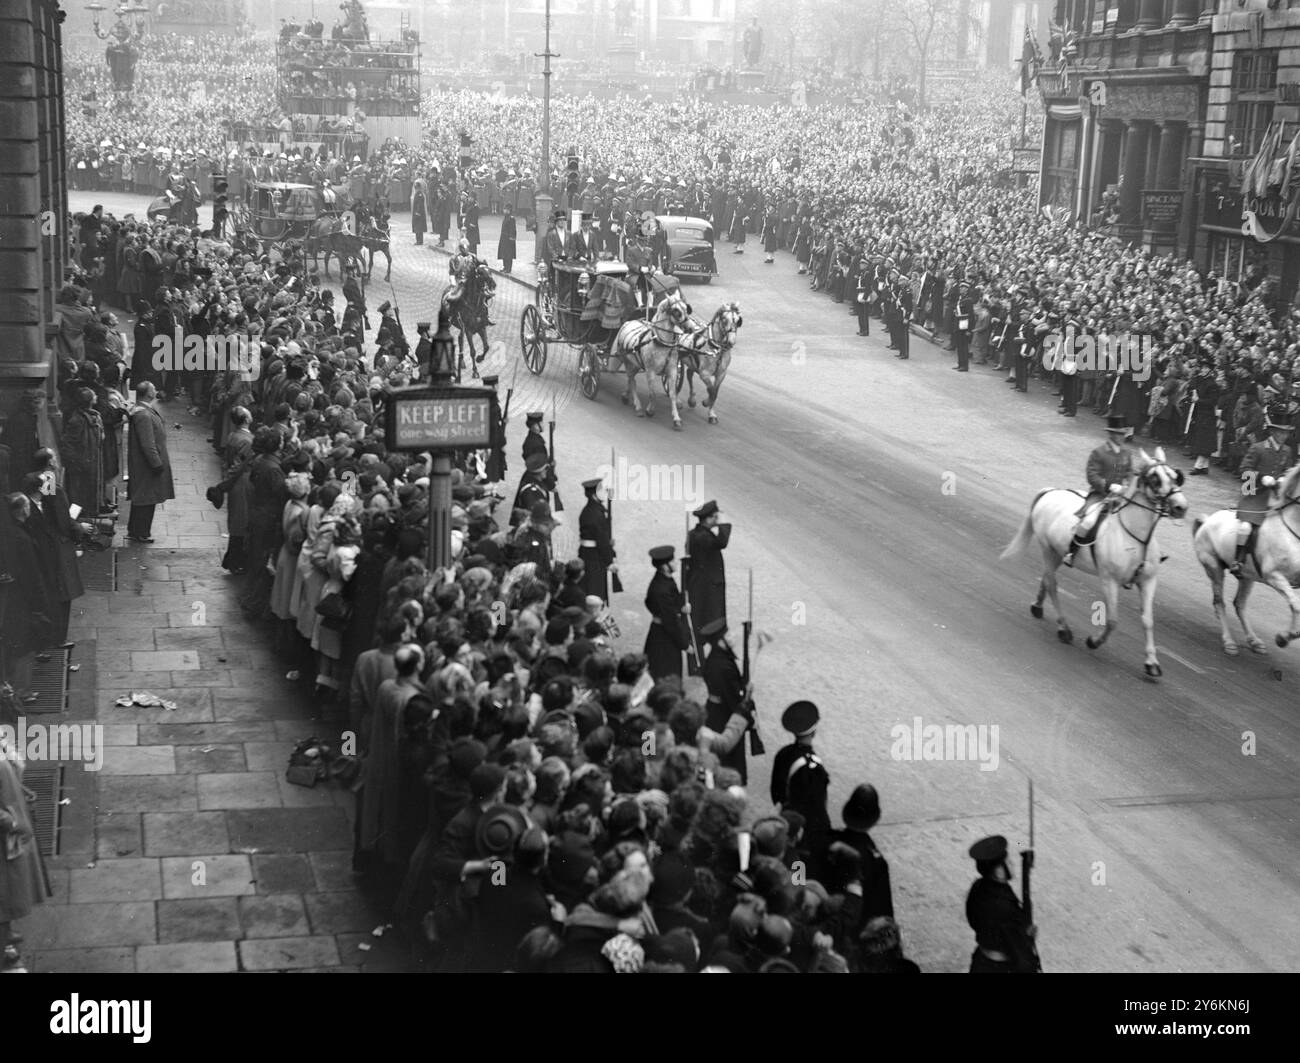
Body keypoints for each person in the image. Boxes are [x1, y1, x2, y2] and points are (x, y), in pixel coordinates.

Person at [0, 730, 52, 972]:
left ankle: (7, 939)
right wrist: (11, 822)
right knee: (4, 897)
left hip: (12, 831)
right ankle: (5, 958)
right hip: (7, 835)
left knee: (9, 894)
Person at [1231, 404, 1295, 575]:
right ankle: (1238, 560)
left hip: (1275, 496)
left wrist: (1283, 479)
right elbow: (1244, 470)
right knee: (1245, 527)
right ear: (1273, 432)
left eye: (1286, 433)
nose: (1284, 436)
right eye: (1281, 432)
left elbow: (1287, 470)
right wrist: (1260, 477)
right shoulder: (1257, 447)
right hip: (1254, 495)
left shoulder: (1287, 451)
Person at [1063, 415, 1133, 568]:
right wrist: (1107, 486)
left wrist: (1126, 486)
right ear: (1111, 434)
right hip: (1100, 495)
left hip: (1120, 497)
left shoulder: (1127, 453)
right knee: (1088, 521)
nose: (1122, 437)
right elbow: (1092, 475)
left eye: (1123, 434)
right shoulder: (1098, 452)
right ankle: (1071, 552)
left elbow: (1129, 472)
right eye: (1119, 434)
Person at [965, 834, 1039, 973]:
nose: (1012, 864)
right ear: (998, 872)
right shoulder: (1004, 907)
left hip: (981, 961)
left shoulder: (979, 887)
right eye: (1008, 862)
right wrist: (1026, 936)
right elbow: (1019, 953)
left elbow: (973, 920)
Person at [697, 618, 750, 784]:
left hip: (714, 710)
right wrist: (745, 711)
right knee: (729, 752)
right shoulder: (723, 666)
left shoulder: (715, 658)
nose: (732, 637)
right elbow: (733, 697)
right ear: (720, 641)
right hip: (724, 714)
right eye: (728, 635)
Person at [770, 700, 830, 842]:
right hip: (805, 830)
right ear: (814, 732)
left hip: (785, 818)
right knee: (799, 864)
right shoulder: (814, 767)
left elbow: (776, 791)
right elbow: (818, 808)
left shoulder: (783, 753)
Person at [125, 380, 175, 543]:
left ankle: (136, 530)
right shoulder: (143, 414)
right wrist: (156, 463)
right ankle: (141, 532)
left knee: (144, 497)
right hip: (146, 465)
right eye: (153, 388)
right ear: (148, 393)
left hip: (145, 464)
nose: (155, 390)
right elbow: (147, 443)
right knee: (146, 498)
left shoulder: (144, 410)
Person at [643, 545, 691, 684]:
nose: (675, 563)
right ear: (665, 566)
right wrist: (685, 645)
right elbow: (671, 622)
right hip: (663, 638)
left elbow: (650, 602)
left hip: (662, 633)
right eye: (672, 561)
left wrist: (680, 607)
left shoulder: (664, 579)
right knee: (667, 675)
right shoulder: (661, 589)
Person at [685, 499, 730, 642]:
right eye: (715, 516)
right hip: (708, 588)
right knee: (712, 624)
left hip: (701, 584)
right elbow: (722, 542)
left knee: (703, 622)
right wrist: (723, 523)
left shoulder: (695, 533)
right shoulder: (703, 537)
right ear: (709, 518)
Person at [577, 476, 616, 602]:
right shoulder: (595, 514)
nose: (604, 493)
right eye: (602, 490)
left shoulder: (592, 510)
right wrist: (609, 561)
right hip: (593, 557)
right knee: (595, 590)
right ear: (594, 494)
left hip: (589, 554)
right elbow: (601, 540)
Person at [498, 203, 517, 274]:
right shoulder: (506, 217)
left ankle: (508, 268)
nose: (504, 211)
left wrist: (512, 238)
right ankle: (505, 267)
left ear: (509, 210)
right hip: (504, 239)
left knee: (509, 254)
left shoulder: (511, 218)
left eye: (505, 209)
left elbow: (513, 229)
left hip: (509, 239)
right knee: (504, 253)